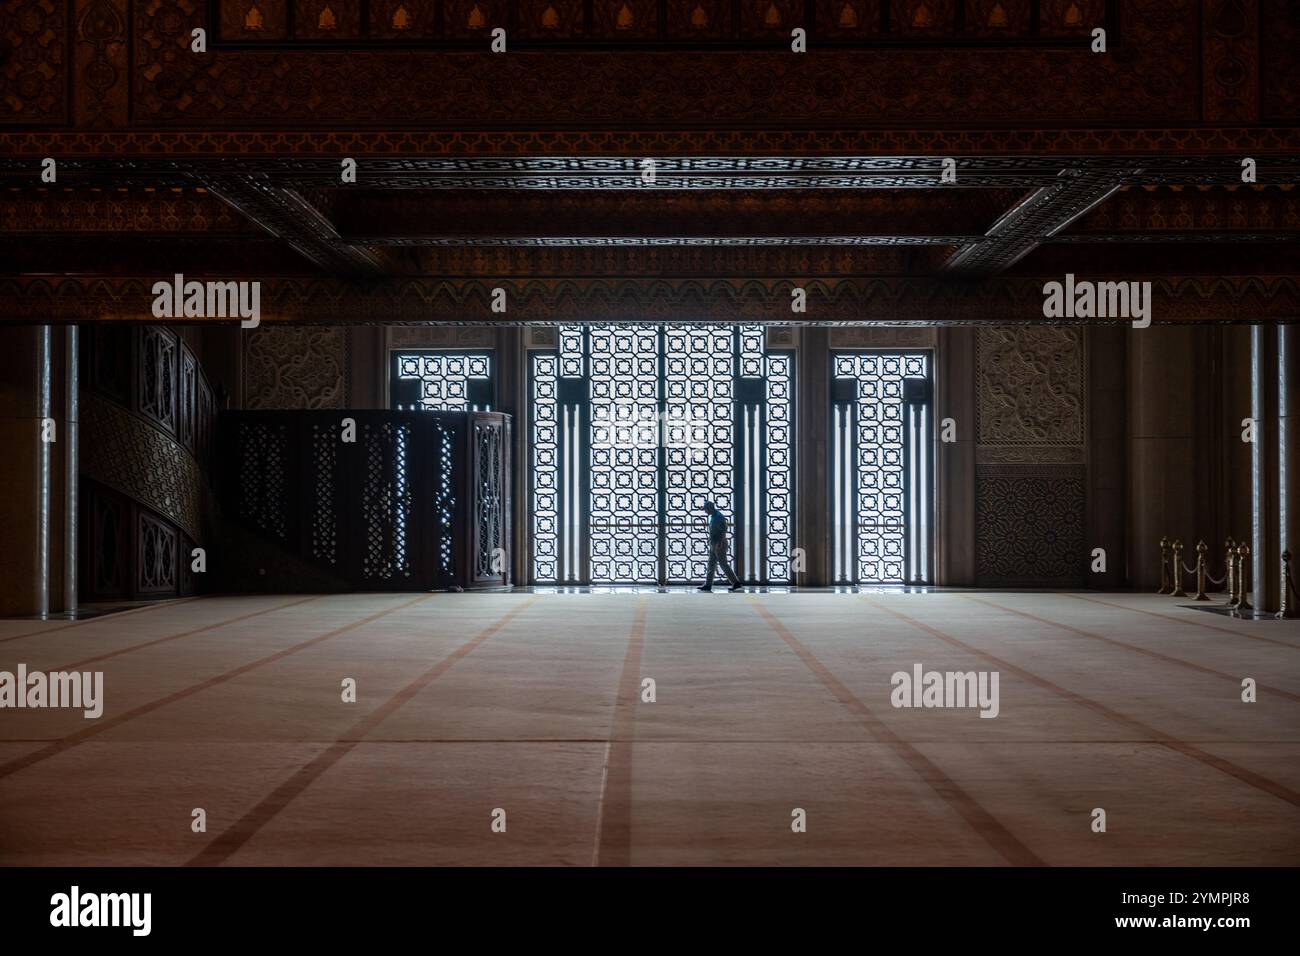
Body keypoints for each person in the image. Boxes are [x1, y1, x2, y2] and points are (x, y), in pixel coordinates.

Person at [697, 500, 743, 592]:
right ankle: (708, 584)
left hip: (719, 544)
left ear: (709, 508)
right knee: (711, 564)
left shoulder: (718, 517)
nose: (705, 511)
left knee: (723, 564)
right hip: (714, 543)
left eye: (705, 509)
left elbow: (723, 532)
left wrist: (720, 544)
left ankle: (736, 583)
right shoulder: (713, 516)